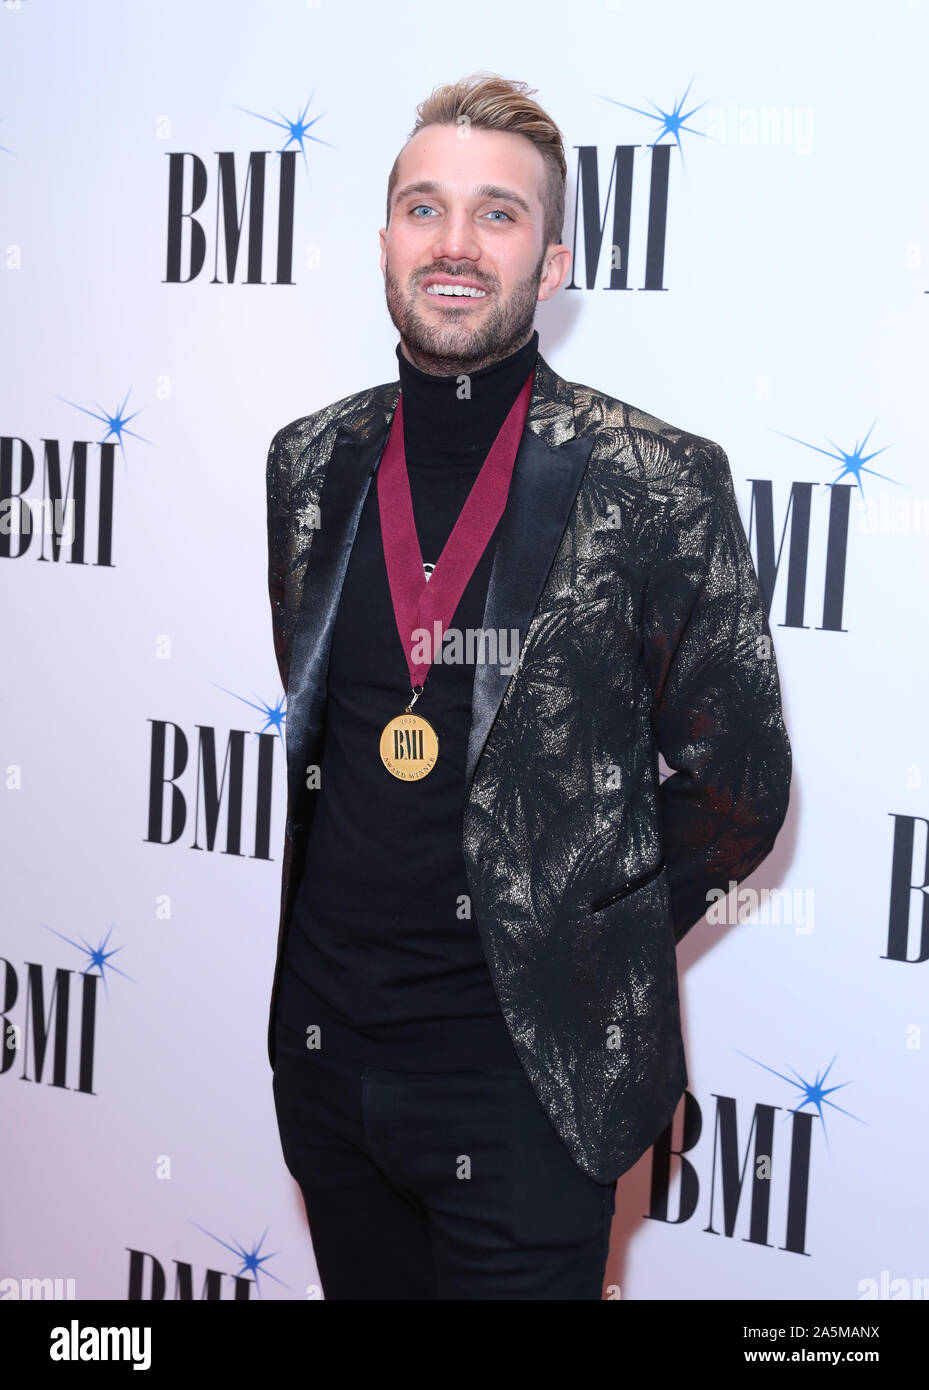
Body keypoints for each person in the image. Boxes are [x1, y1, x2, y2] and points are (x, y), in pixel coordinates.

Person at [265, 73, 792, 1300]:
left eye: (496, 214)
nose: (452, 244)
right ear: (385, 240)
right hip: (328, 1063)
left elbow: (739, 785)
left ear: (551, 263)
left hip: (524, 1087)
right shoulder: (307, 463)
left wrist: (574, 934)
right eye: (422, 208)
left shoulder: (655, 480)